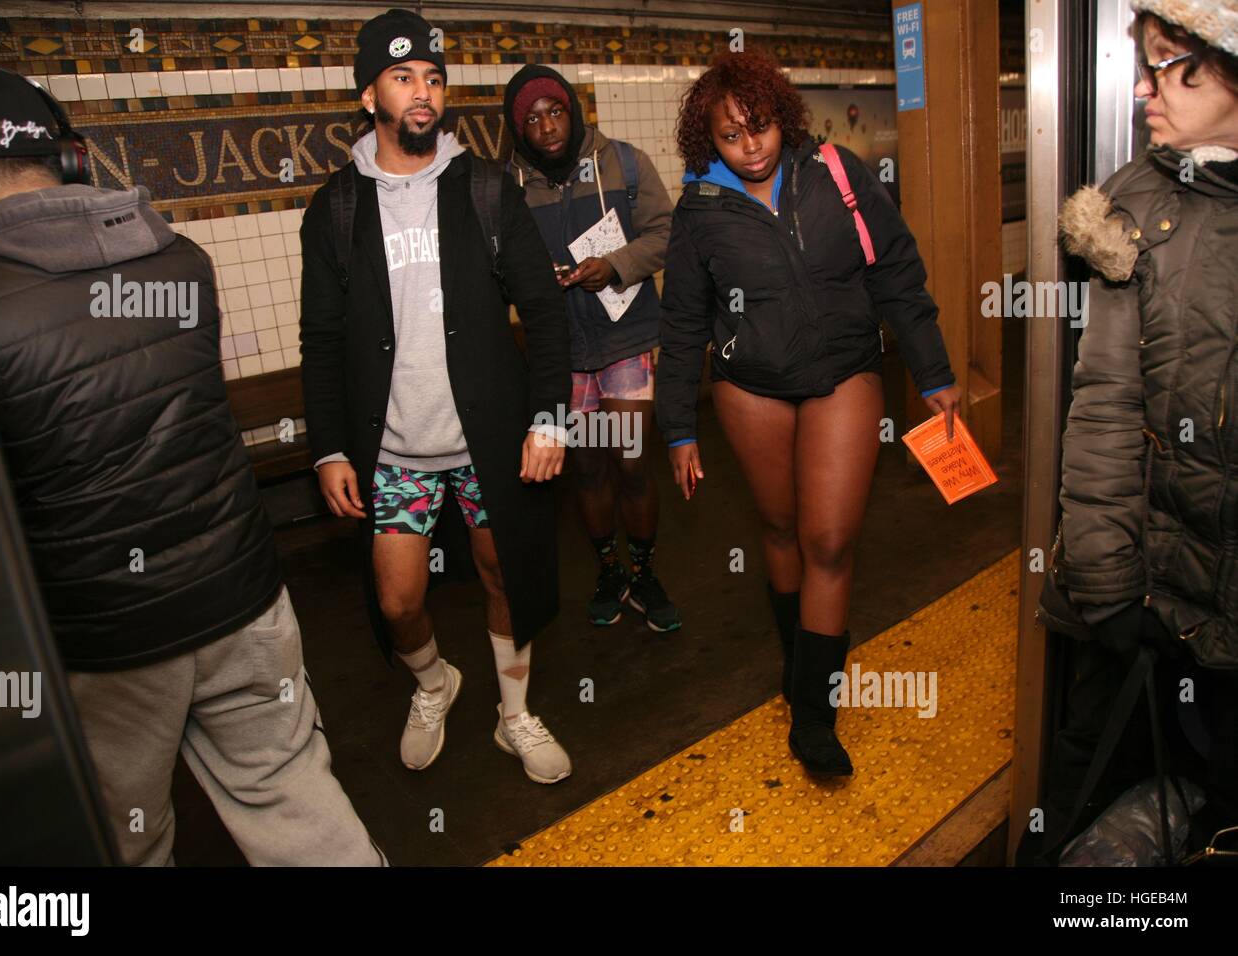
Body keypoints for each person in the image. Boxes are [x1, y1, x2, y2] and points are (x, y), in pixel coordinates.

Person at [0, 63, 385, 865]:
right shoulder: (179, 259)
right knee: (293, 792)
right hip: (243, 598)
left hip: (108, 641)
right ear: (71, 156)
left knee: (128, 841)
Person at [656, 49, 959, 778]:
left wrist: (934, 369)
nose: (750, 145)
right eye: (731, 136)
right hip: (750, 387)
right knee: (781, 526)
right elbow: (681, 324)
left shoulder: (837, 172)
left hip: (843, 375)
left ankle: (813, 715)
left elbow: (895, 269)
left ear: (780, 118)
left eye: (759, 126)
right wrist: (678, 426)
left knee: (828, 540)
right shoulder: (699, 211)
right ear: (710, 142)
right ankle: (800, 660)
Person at [300, 9, 574, 783]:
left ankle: (514, 714)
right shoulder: (337, 208)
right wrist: (327, 447)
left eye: (432, 77)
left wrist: (549, 417)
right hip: (393, 452)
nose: (422, 93)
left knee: (505, 579)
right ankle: (435, 685)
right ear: (368, 96)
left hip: (490, 442)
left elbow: (545, 311)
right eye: (402, 78)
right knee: (397, 604)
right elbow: (320, 339)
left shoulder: (486, 189)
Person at [1035, 0, 1238, 859]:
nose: (1146, 86)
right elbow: (1106, 407)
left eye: (1168, 64)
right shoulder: (1138, 206)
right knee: (1092, 808)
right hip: (1144, 603)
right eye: (1147, 64)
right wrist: (1110, 586)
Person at [501, 65, 680, 631]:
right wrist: (529, 280)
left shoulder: (623, 163)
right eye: (531, 119)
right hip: (565, 356)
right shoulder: (509, 189)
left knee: (630, 463)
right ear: (517, 128)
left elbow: (666, 234)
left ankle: (645, 572)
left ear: (573, 112)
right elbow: (495, 263)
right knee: (588, 471)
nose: (547, 127)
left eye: (555, 111)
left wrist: (616, 265)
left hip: (624, 342)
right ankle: (610, 572)